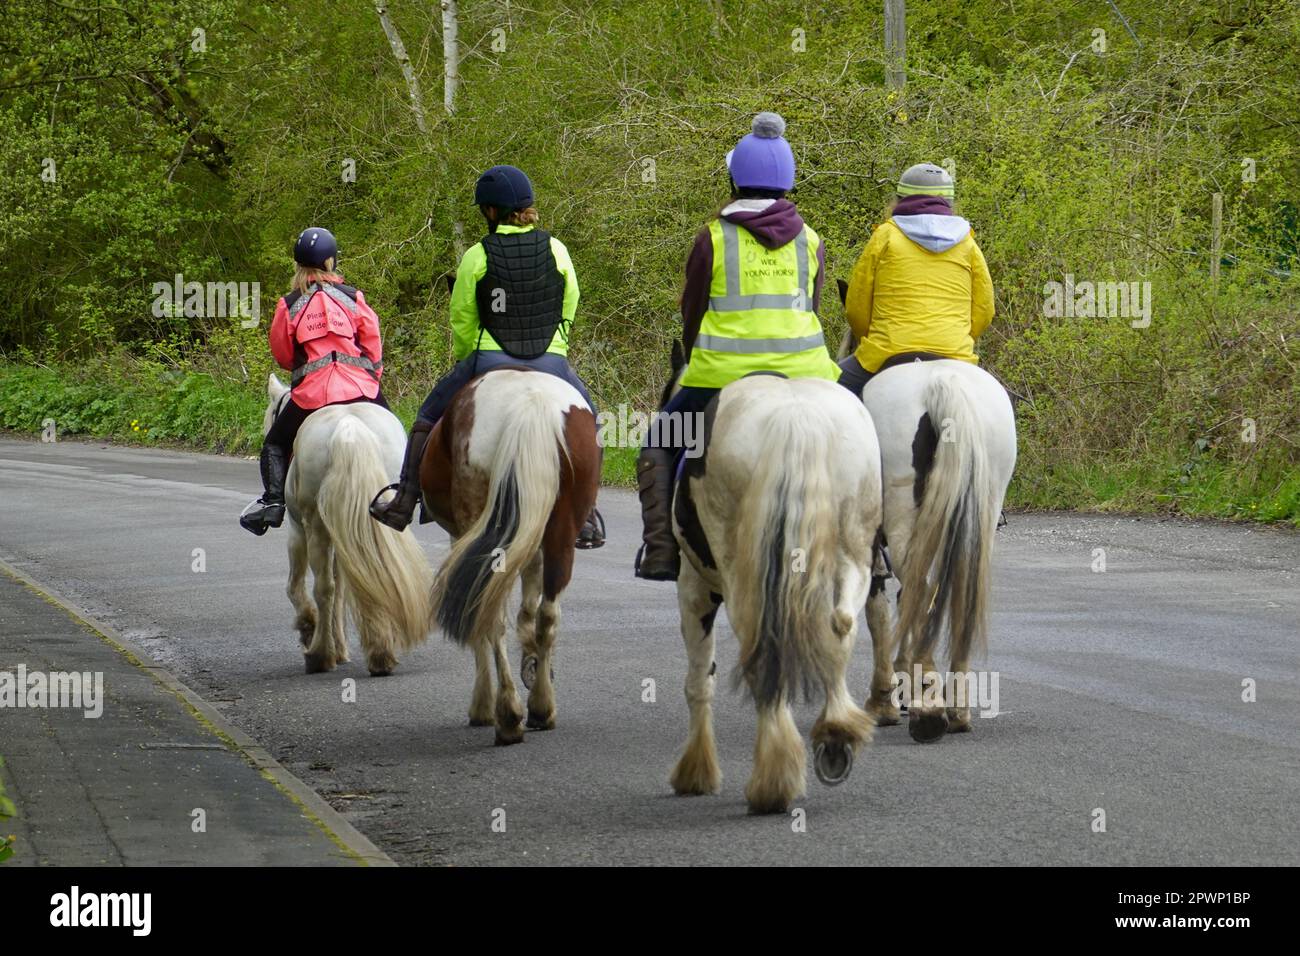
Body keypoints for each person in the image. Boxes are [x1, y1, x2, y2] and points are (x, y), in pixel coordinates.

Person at [634, 112, 841, 581]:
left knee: (658, 444)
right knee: (865, 437)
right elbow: (813, 305)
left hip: (721, 376)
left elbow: (693, 310)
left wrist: (694, 355)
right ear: (788, 179)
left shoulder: (712, 237)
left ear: (734, 179)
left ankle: (662, 549)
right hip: (807, 373)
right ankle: (874, 546)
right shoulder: (810, 240)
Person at [368, 164, 605, 548]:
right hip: (550, 361)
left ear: (491, 212)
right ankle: (588, 511)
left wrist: (469, 359)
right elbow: (570, 300)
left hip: (489, 359)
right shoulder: (556, 248)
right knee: (592, 423)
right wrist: (557, 345)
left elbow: (462, 316)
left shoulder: (477, 256)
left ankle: (405, 499)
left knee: (427, 417)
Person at [240, 227, 388, 535]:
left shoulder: (289, 303)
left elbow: (282, 354)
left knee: (276, 444)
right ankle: (409, 491)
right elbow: (372, 344)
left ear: (298, 264)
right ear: (331, 262)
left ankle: (273, 503)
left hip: (313, 395)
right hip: (360, 388)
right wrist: (371, 377)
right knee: (394, 430)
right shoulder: (353, 297)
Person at [837, 162, 994, 396]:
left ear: (899, 199)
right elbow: (984, 311)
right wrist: (956, 337)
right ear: (949, 203)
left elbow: (856, 306)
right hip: (955, 353)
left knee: (829, 390)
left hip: (888, 351)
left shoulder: (885, 236)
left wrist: (869, 338)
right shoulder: (968, 243)